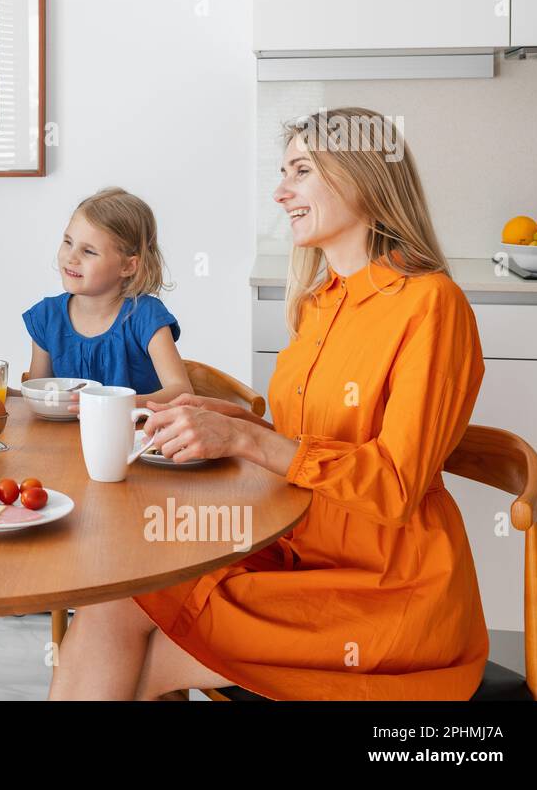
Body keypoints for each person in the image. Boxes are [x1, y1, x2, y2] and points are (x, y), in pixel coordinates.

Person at [50, 108, 488, 700]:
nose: (280, 193)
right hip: (293, 549)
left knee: (131, 656)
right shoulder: (319, 302)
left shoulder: (430, 304)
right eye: (282, 173)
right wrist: (218, 420)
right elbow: (310, 436)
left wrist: (247, 440)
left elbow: (393, 485)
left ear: (362, 175)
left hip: (384, 589)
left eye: (300, 171)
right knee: (115, 600)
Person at [24, 186, 191, 406]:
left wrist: (109, 405)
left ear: (128, 266)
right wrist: (2, 394)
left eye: (89, 251)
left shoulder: (146, 316)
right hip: (64, 438)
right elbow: (39, 395)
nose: (71, 257)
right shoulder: (47, 316)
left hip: (137, 437)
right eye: (68, 242)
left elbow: (181, 393)